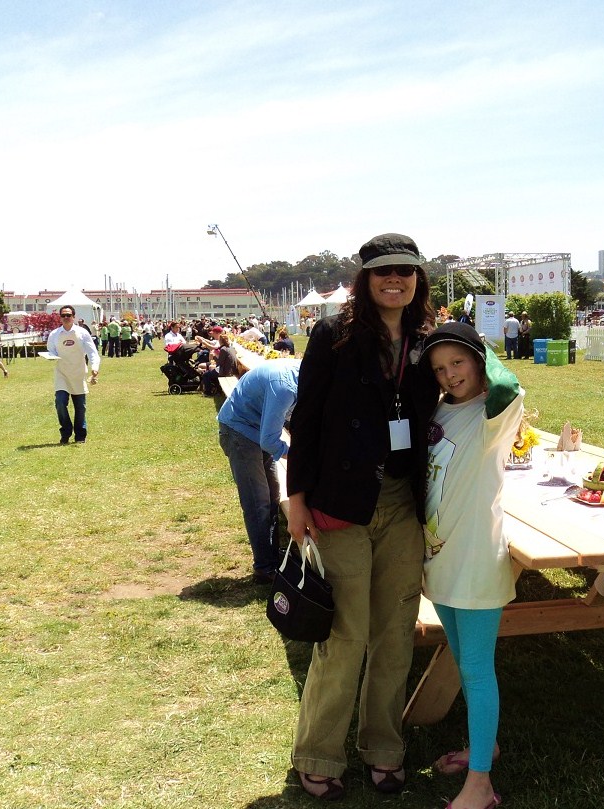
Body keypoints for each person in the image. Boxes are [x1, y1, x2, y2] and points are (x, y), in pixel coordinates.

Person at [286, 232, 440, 801]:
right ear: (366, 280)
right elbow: (306, 419)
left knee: (395, 632)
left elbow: (477, 383)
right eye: (383, 273)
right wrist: (297, 498)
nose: (394, 280)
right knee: (346, 635)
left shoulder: (429, 337)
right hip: (341, 505)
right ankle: (319, 752)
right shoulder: (334, 335)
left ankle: (384, 748)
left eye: (405, 271)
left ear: (418, 278)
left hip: (404, 503)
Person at [421, 322, 523, 809]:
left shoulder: (495, 412)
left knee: (479, 669)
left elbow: (506, 384)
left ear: (479, 360)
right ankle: (485, 746)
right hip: (439, 560)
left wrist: (479, 348)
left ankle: (480, 786)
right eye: (439, 368)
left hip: (478, 559)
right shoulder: (439, 410)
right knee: (464, 665)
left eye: (458, 362)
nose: (449, 374)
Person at [217, 358, 300, 582]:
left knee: (273, 495)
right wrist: (299, 456)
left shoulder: (300, 375)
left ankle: (271, 556)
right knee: (258, 503)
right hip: (239, 433)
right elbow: (270, 441)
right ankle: (264, 568)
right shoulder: (286, 387)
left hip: (256, 431)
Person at [46, 306, 101, 444]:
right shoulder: (54, 334)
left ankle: (80, 435)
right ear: (60, 317)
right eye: (63, 315)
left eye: (68, 315)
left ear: (74, 316)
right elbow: (51, 351)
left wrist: (94, 367)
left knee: (80, 407)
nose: (66, 317)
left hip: (78, 373)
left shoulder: (82, 333)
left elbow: (92, 352)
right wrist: (51, 356)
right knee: (60, 402)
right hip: (61, 373)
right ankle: (65, 432)